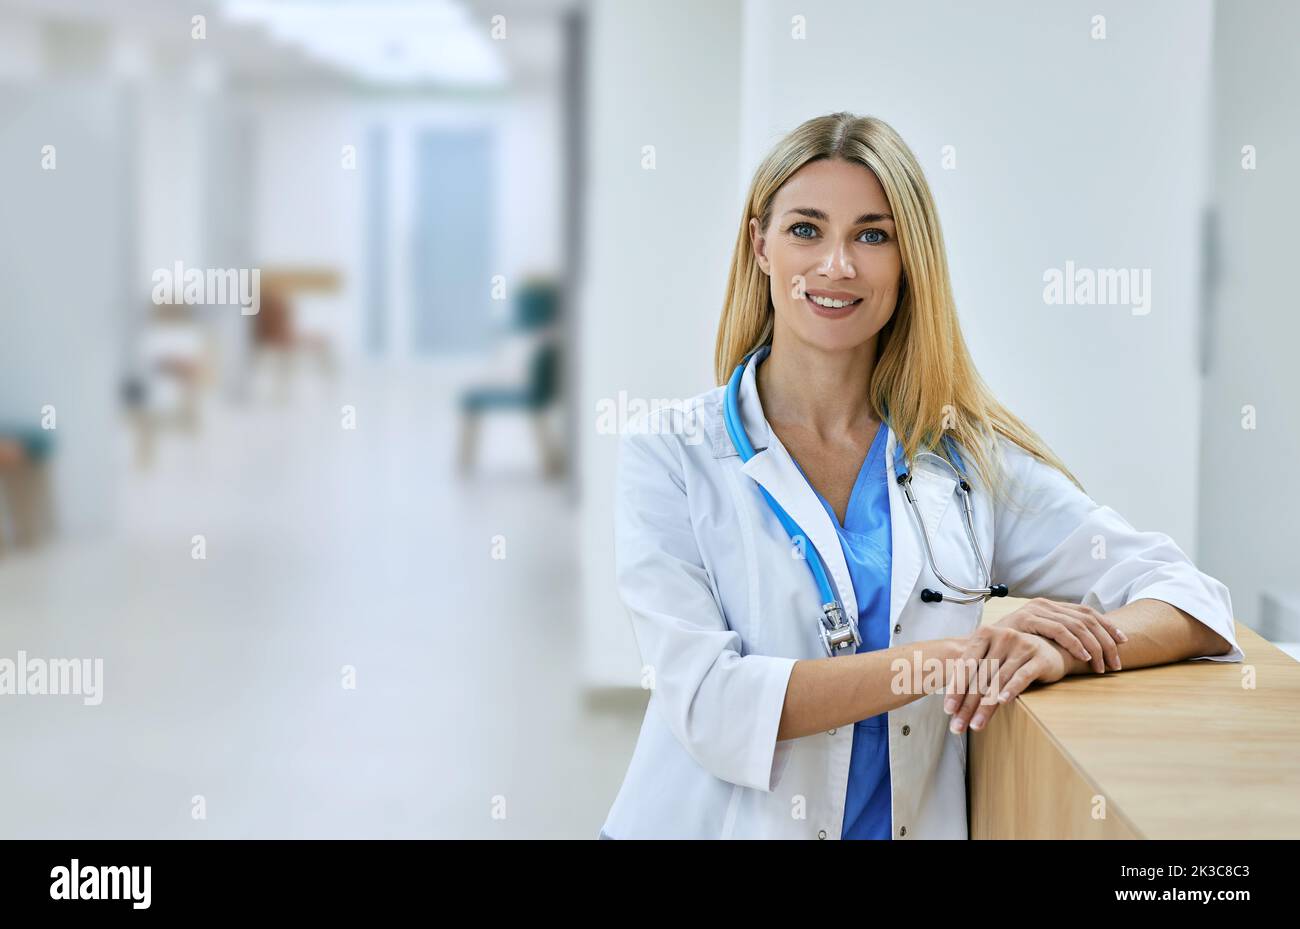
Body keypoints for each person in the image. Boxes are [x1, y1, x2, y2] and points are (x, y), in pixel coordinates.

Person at [598, 112, 1240, 840]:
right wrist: (948, 659)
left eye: (873, 234)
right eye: (806, 229)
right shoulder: (673, 452)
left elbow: (1190, 600)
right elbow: (713, 706)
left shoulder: (962, 458)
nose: (838, 264)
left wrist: (1057, 648)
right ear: (760, 247)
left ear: (910, 261)